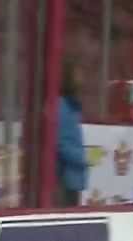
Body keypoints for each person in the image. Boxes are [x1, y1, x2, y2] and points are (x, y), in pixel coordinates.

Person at [57, 59, 88, 207]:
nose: (82, 79)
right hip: (65, 179)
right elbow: (60, 142)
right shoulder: (61, 105)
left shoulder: (72, 105)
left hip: (74, 179)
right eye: (78, 74)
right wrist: (83, 157)